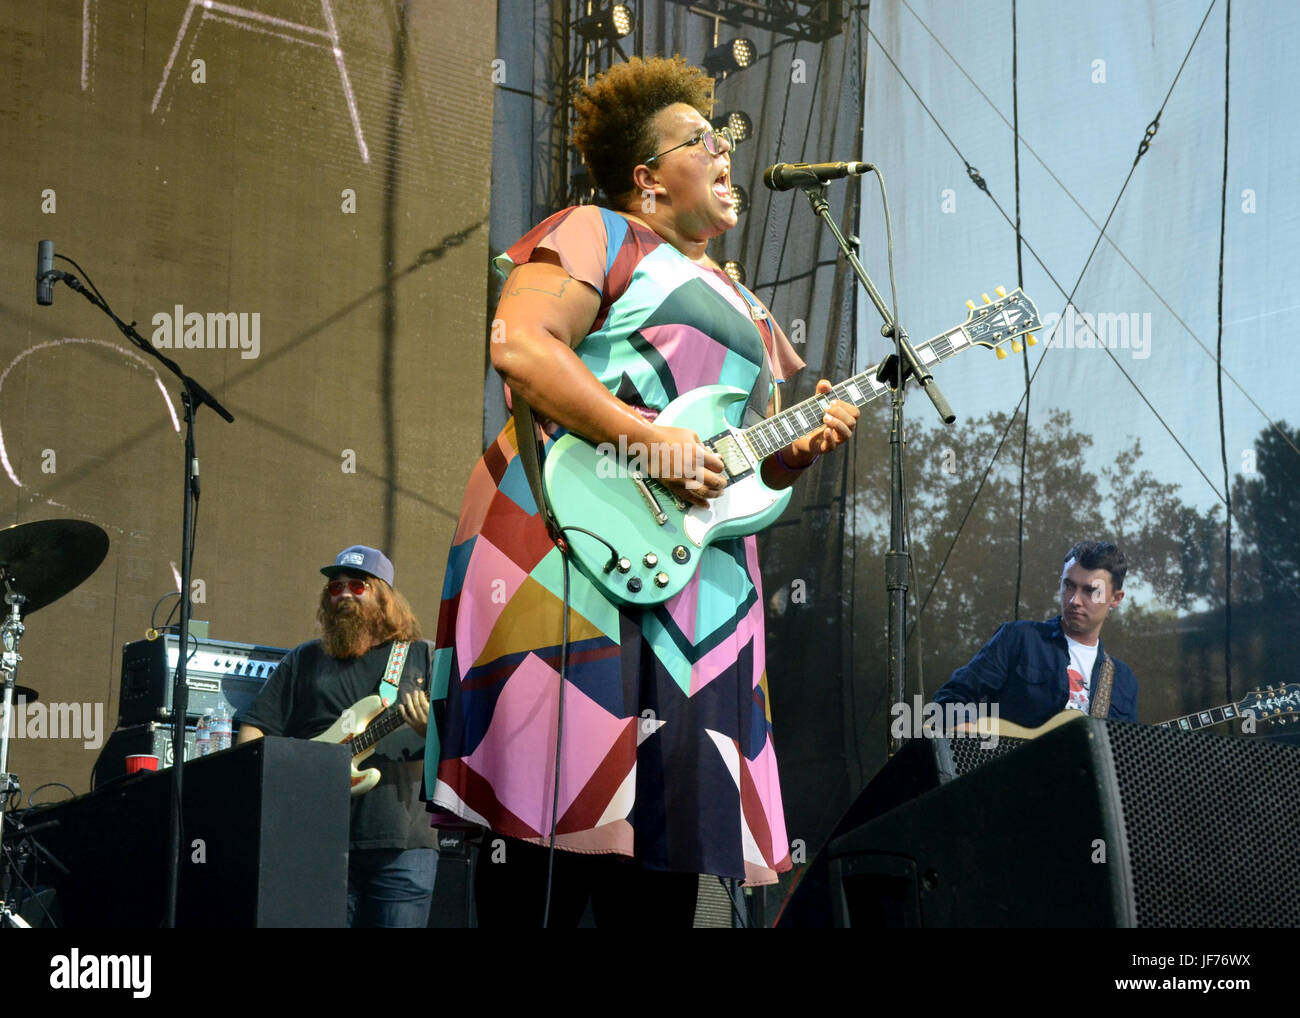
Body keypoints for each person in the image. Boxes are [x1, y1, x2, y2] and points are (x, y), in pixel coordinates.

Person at [424, 56, 860, 927]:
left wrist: (790, 455)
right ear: (648, 178)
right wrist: (647, 440)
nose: (727, 152)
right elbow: (522, 344)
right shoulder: (600, 233)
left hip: (698, 587)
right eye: (703, 140)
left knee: (669, 846)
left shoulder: (743, 299)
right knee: (546, 839)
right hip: (569, 549)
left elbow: (741, 467)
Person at [236, 545, 437, 928]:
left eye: (357, 585)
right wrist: (263, 794)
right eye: (335, 587)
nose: (343, 593)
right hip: (315, 842)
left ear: (384, 595)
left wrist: (433, 731)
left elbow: (465, 741)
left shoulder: (422, 657)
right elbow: (255, 728)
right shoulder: (304, 660)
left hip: (401, 848)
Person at [933, 540, 1138, 728]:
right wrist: (969, 737)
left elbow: (1122, 754)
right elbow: (950, 698)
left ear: (1116, 598)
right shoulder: (1019, 639)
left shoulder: (1123, 679)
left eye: (1090, 591)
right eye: (1069, 585)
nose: (1074, 600)